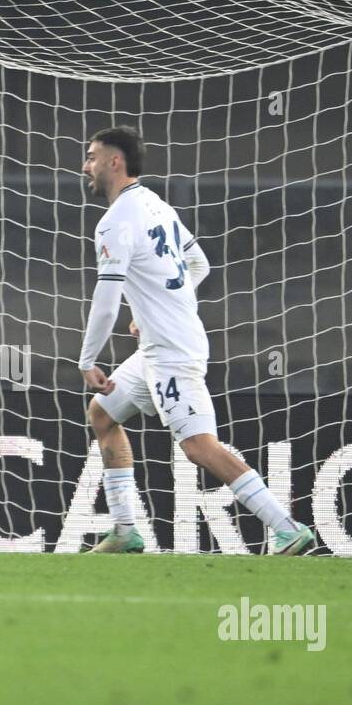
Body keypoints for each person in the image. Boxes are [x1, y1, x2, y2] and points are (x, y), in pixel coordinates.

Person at [78, 126, 315, 555]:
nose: (85, 166)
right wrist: (155, 307)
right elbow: (198, 262)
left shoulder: (114, 223)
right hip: (159, 344)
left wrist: (88, 358)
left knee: (198, 447)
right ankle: (126, 529)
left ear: (115, 161)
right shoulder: (157, 205)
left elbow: (106, 300)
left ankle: (286, 528)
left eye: (92, 157)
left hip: (171, 351)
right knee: (102, 415)